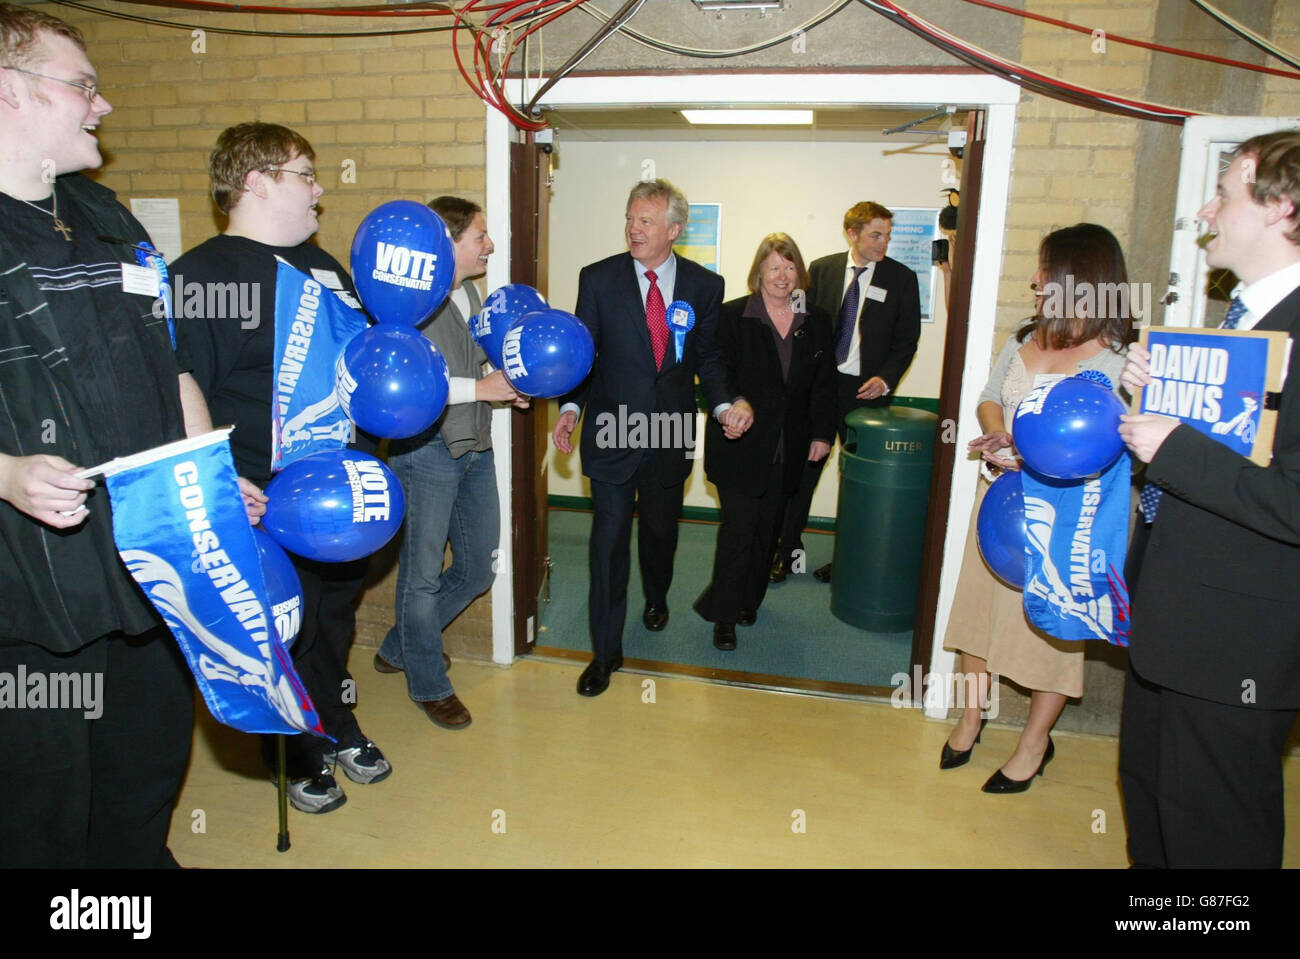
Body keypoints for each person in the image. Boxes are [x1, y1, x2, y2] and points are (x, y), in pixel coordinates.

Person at [0, 4, 202, 865]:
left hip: (147, 567)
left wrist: (207, 479)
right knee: (43, 808)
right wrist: (4, 472)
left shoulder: (109, 218)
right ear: (10, 90)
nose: (103, 104)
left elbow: (173, 364)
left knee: (144, 773)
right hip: (34, 593)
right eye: (83, 86)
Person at [174, 122, 390, 815]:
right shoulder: (202, 276)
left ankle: (335, 721)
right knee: (283, 628)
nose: (319, 189)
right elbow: (177, 389)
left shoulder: (325, 268)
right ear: (257, 181)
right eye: (305, 174)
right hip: (259, 501)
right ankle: (294, 751)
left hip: (335, 493)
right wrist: (214, 484)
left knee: (332, 621)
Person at [1117, 130, 1300, 867]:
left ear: (1281, 206)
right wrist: (1154, 398)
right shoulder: (1246, 321)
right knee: (1154, 811)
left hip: (1238, 647)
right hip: (1173, 628)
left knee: (1216, 840)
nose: (1204, 211)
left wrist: (1175, 446)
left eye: (1222, 195)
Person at [941, 223, 1133, 793]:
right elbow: (989, 397)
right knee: (979, 615)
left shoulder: (1118, 361)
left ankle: (1034, 742)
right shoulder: (1025, 335)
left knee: (1052, 631)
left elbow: (1112, 446)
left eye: (1046, 271)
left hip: (1064, 518)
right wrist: (1000, 435)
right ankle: (971, 717)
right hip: (999, 504)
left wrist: (1038, 456)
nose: (1035, 279)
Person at [553, 178, 728, 697]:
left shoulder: (704, 286)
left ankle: (656, 595)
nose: (633, 228)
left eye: (646, 221)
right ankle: (604, 653)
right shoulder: (598, 279)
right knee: (607, 542)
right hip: (612, 429)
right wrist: (570, 408)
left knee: (659, 531)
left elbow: (709, 358)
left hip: (670, 430)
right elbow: (583, 355)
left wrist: (723, 405)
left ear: (673, 230)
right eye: (630, 218)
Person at [375, 195, 527, 729]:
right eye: (480, 236)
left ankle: (400, 646)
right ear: (448, 241)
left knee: (477, 567)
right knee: (420, 577)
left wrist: (510, 381)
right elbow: (404, 385)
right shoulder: (409, 300)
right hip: (425, 451)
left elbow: (471, 358)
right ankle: (428, 683)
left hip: (474, 445)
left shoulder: (470, 292)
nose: (490, 245)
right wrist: (481, 389)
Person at [693, 233, 836, 650]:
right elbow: (716, 371)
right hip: (740, 443)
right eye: (773, 267)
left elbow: (824, 384)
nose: (782, 275)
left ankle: (747, 601)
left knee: (768, 532)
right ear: (758, 272)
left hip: (790, 447)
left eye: (790, 267)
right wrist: (733, 401)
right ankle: (724, 617)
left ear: (800, 273)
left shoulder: (816, 320)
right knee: (739, 530)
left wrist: (823, 433)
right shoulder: (733, 316)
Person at [772, 201, 921, 585]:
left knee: (859, 482)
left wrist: (886, 379)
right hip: (821, 390)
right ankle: (786, 553)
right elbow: (799, 327)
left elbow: (907, 341)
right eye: (875, 234)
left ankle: (850, 561)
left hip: (867, 395)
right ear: (852, 233)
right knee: (803, 475)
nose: (883, 242)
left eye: (887, 235)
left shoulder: (901, 279)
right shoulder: (821, 270)